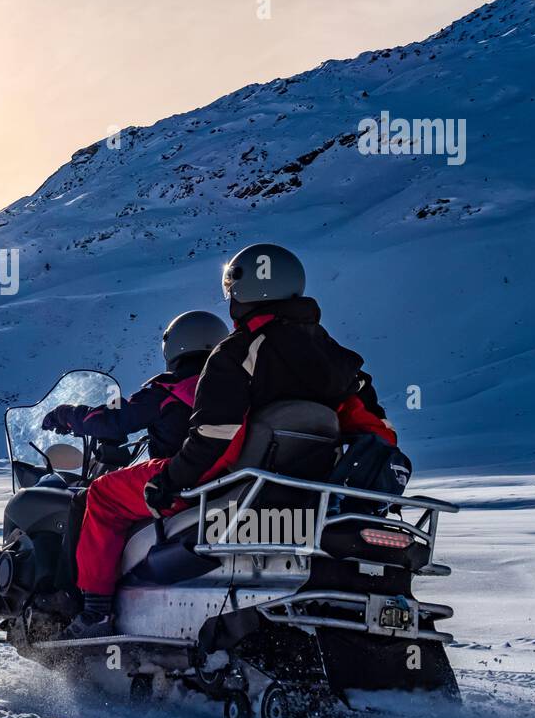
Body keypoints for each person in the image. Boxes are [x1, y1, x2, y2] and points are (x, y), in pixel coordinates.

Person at [61, 243, 396, 641]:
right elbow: (376, 430)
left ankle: (95, 612)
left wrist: (170, 483)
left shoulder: (237, 353)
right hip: (304, 489)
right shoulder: (342, 361)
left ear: (242, 290)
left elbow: (214, 436)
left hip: (228, 483)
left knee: (101, 495)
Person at [40, 309, 229, 459]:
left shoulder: (169, 392)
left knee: (92, 496)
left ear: (175, 343)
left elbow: (112, 420)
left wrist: (65, 415)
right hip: (216, 480)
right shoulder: (232, 387)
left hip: (173, 484)